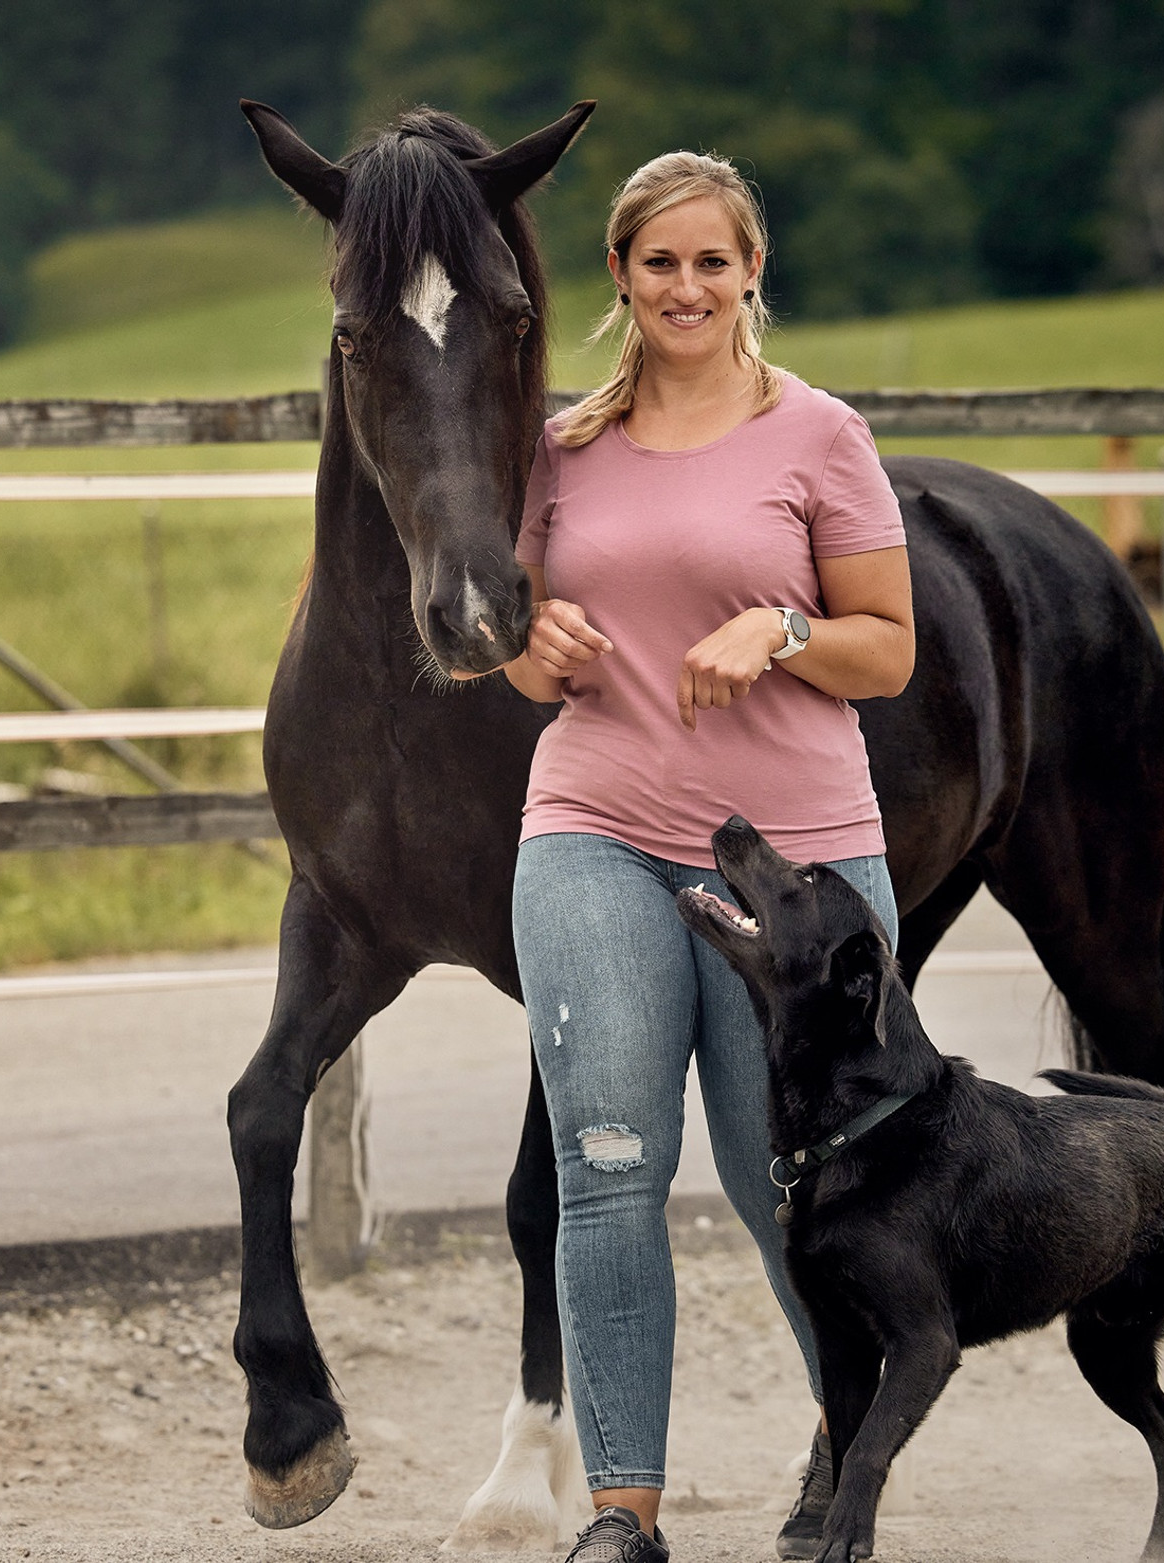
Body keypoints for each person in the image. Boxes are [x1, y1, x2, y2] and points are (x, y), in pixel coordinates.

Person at [472, 150, 915, 1563]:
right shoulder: (556, 449)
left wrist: (781, 630)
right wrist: (529, 647)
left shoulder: (821, 437)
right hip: (593, 831)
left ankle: (848, 1456)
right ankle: (623, 1511)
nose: (685, 287)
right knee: (607, 1164)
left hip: (794, 868)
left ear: (751, 273)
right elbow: (520, 655)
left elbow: (887, 650)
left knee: (800, 1177)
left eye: (711, 262)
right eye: (658, 262)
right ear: (618, 275)